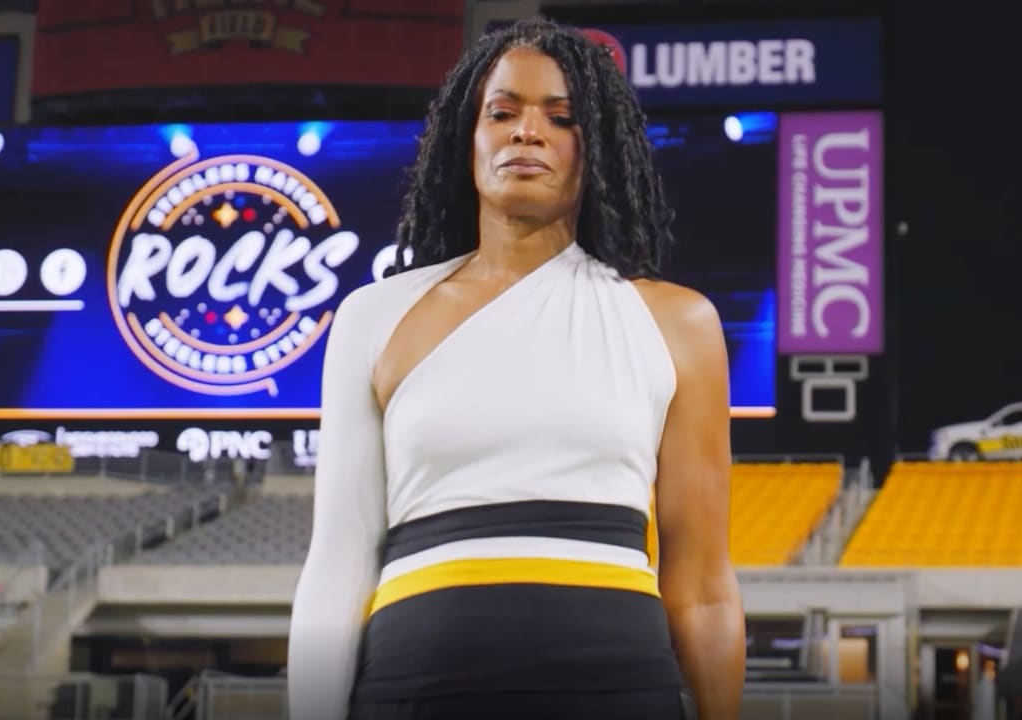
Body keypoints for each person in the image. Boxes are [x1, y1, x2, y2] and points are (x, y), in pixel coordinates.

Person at [288, 15, 744, 720]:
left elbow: (704, 586)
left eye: (560, 118)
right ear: (465, 140)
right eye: (502, 112)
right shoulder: (373, 317)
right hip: (412, 687)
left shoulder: (678, 323)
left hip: (619, 689)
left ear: (599, 150)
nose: (526, 132)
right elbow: (338, 563)